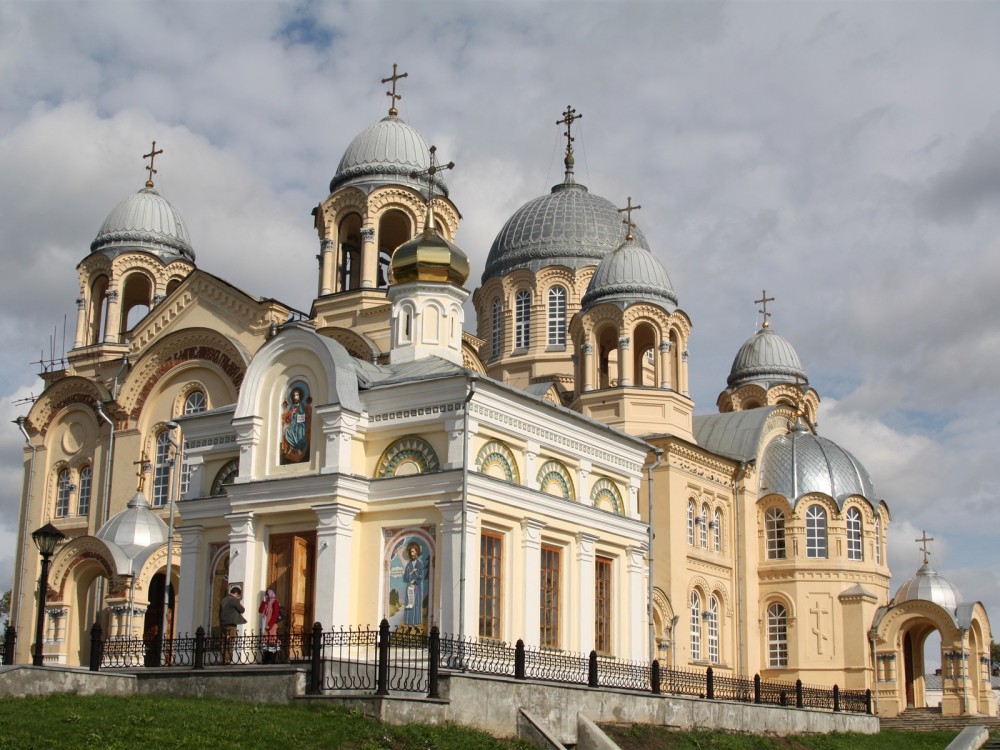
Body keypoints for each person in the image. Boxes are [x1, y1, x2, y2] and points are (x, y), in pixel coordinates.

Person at [280, 386, 310, 463]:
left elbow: (304, 414)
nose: (295, 397)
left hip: (300, 424)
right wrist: (291, 413)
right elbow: (288, 416)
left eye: (297, 395)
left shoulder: (302, 406)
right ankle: (293, 448)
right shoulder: (292, 407)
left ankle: (299, 449)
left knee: (299, 432)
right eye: (294, 396)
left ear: (300, 396)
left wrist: (302, 415)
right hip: (293, 423)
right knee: (287, 431)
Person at [219, 586, 246, 665]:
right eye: (238, 596)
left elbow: (220, 612)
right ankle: (228, 660)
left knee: (223, 642)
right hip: (231, 624)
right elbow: (242, 609)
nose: (238, 597)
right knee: (230, 641)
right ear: (236, 593)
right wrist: (237, 601)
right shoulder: (233, 600)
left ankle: (223, 659)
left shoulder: (224, 599)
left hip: (223, 624)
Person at [402, 542, 424, 633]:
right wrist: (410, 573)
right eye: (411, 552)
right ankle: (409, 626)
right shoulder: (408, 565)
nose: (412, 553)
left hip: (416, 588)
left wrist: (415, 578)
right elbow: (405, 578)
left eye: (413, 551)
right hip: (409, 588)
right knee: (409, 604)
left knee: (416, 605)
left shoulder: (420, 563)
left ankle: (416, 625)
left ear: (417, 552)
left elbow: (421, 576)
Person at [258, 589, 280, 664]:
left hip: (271, 626)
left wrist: (269, 625)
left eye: (267, 595)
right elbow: (260, 610)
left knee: (272, 640)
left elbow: (275, 614)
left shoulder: (274, 602)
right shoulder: (266, 603)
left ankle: (271, 659)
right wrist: (263, 602)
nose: (266, 596)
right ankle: (266, 658)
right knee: (266, 641)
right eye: (265, 595)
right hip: (265, 624)